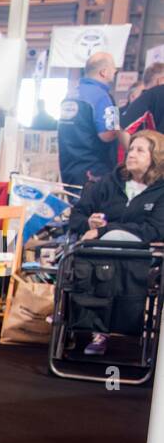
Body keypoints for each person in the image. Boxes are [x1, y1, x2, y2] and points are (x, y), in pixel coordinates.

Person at [67, 128, 164, 353]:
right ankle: (95, 325)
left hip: (141, 257)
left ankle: (90, 320)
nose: (131, 154)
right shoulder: (108, 183)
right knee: (104, 249)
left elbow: (155, 230)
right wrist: (88, 224)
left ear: (156, 158)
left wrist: (104, 231)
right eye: (130, 149)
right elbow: (76, 216)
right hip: (100, 258)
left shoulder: (160, 191)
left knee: (113, 238)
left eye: (140, 150)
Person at [58, 51, 120, 188]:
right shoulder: (102, 97)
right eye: (113, 68)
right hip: (94, 170)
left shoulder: (70, 95)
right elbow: (107, 135)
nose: (115, 71)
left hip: (68, 167)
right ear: (104, 72)